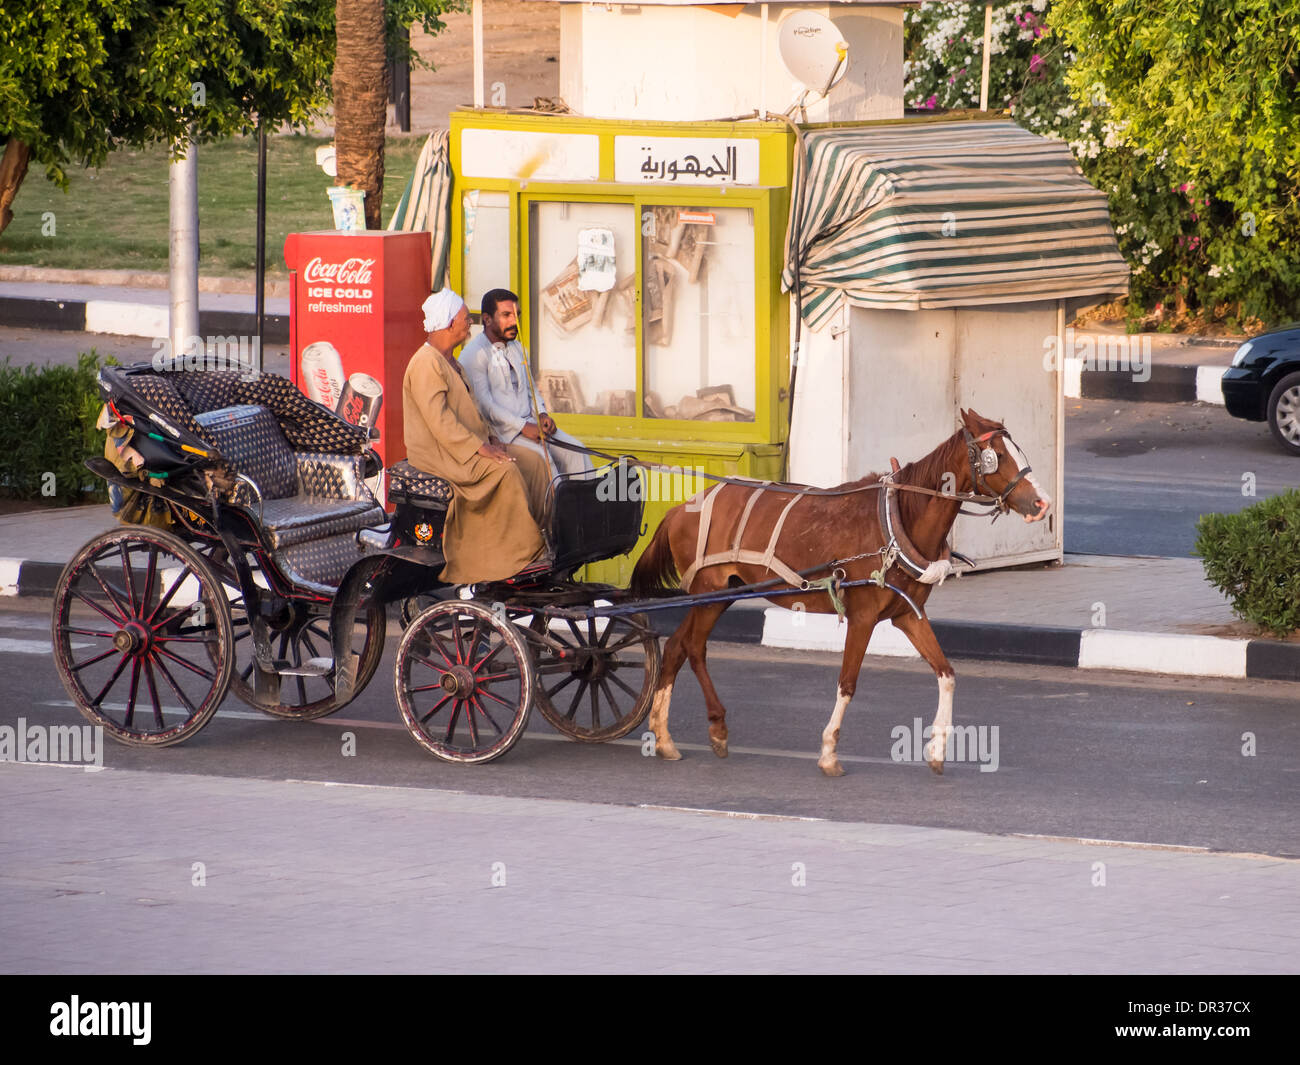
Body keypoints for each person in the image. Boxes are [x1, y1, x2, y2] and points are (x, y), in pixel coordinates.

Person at [402, 287, 552, 584]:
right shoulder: (426, 363)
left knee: (534, 463)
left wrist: (491, 439)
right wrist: (479, 449)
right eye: (462, 319)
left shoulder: (451, 361)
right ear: (447, 324)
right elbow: (440, 422)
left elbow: (472, 412)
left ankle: (541, 538)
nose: (468, 324)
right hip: (442, 452)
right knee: (505, 470)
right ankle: (519, 555)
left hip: (468, 443)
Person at [460, 288, 594, 479]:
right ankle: (555, 509)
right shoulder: (475, 354)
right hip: (504, 433)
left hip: (532, 426)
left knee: (578, 453)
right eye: (506, 315)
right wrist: (522, 426)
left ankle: (586, 508)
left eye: (517, 315)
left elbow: (532, 392)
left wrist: (542, 414)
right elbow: (485, 406)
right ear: (487, 319)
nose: (514, 321)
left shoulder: (518, 348)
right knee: (547, 465)